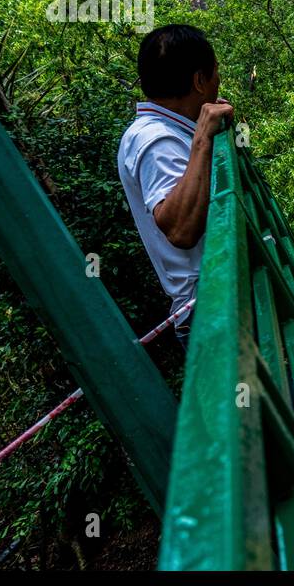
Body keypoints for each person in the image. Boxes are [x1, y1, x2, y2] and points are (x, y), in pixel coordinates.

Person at [117, 25, 232, 349]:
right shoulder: (155, 139)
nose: (217, 84)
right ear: (199, 81)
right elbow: (180, 229)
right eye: (215, 75)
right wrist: (203, 139)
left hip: (215, 305)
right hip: (209, 313)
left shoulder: (168, 130)